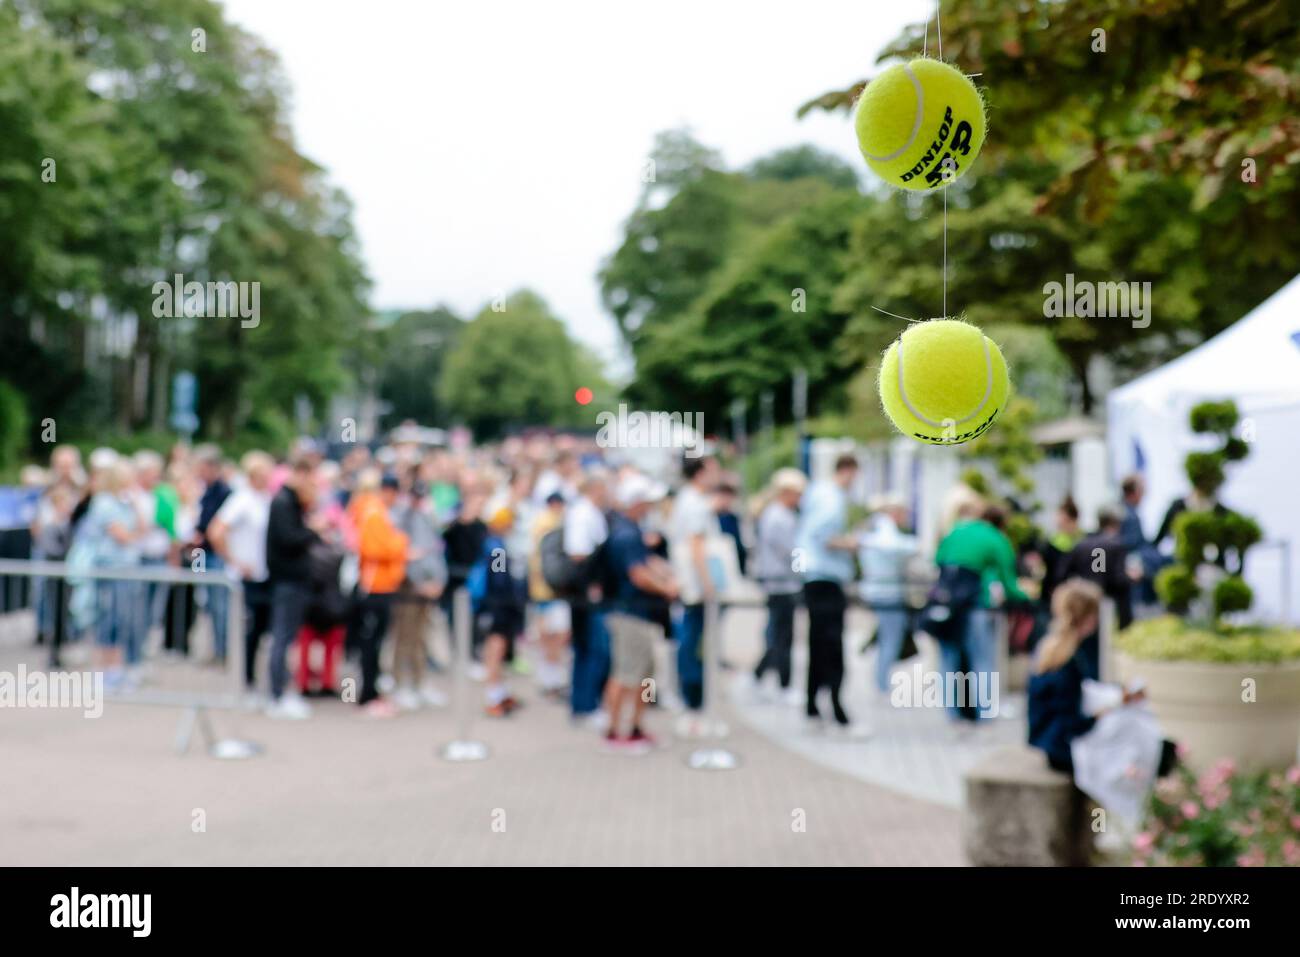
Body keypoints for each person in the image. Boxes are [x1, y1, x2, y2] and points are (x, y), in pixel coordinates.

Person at [933, 497, 1030, 721]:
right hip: (977, 607)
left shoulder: (955, 532)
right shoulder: (996, 539)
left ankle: (953, 715)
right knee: (983, 661)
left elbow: (937, 560)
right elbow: (1009, 582)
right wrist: (1027, 598)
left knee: (949, 660)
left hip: (947, 606)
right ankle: (985, 713)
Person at [601, 475, 677, 751]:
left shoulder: (629, 530)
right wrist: (667, 587)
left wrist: (665, 576)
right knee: (626, 673)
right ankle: (614, 730)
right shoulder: (627, 533)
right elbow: (637, 574)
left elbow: (645, 564)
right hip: (629, 612)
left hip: (637, 611)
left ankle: (633, 727)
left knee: (644, 672)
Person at [795, 454, 861, 730]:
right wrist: (851, 543)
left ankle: (813, 704)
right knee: (831, 646)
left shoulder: (817, 492)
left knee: (818, 644)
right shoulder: (832, 498)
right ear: (848, 471)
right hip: (827, 578)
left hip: (814, 576)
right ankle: (834, 705)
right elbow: (823, 536)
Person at [208, 451, 275, 695]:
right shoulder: (242, 500)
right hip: (246, 576)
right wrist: (234, 561)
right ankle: (243, 680)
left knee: (260, 629)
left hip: (264, 573)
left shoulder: (265, 498)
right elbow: (216, 530)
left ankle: (255, 678)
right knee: (246, 629)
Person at [1027, 579, 1106, 773]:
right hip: (1060, 749)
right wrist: (1101, 714)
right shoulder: (1067, 661)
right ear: (1088, 618)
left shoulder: (1051, 648)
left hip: (1047, 740)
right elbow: (1070, 723)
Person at [264, 456, 322, 719]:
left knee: (286, 637)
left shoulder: (290, 503)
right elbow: (288, 540)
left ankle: (281, 691)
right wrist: (313, 530)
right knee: (282, 638)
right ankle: (277, 694)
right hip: (287, 580)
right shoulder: (283, 503)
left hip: (293, 580)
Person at [669, 455, 721, 734]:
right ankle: (693, 706)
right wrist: (708, 582)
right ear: (700, 473)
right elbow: (696, 545)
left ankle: (692, 705)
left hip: (692, 586)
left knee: (692, 645)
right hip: (696, 589)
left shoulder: (688, 500)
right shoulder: (694, 503)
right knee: (693, 646)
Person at [1059, 504, 1140, 679]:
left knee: (1084, 650)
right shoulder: (1115, 545)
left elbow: (1063, 575)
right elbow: (1116, 579)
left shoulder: (1082, 544)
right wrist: (1132, 577)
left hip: (1081, 608)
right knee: (1101, 653)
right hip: (1105, 608)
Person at [353, 473, 409, 718]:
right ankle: (368, 695)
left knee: (375, 643)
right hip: (374, 586)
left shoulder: (377, 512)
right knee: (371, 643)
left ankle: (372, 692)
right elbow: (375, 548)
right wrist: (400, 544)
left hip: (382, 585)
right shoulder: (373, 513)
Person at [391, 480, 447, 709]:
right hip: (409, 588)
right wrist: (417, 583)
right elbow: (402, 552)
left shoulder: (426, 517)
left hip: (426, 585)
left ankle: (419, 681)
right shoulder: (401, 518)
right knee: (405, 637)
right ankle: (400, 684)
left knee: (422, 637)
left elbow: (434, 551)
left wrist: (437, 581)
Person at [751, 468, 805, 701]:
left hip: (784, 583)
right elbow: (790, 552)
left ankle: (762, 676)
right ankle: (780, 683)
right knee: (781, 636)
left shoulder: (780, 515)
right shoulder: (777, 517)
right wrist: (805, 568)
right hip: (781, 584)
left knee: (780, 634)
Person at [859, 493, 919, 695]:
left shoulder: (876, 528)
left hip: (881, 590)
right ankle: (881, 683)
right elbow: (895, 547)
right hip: (886, 591)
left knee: (888, 636)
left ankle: (881, 679)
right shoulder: (884, 531)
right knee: (891, 638)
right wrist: (917, 545)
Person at [565, 471, 611, 724]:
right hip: (586, 593)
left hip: (587, 591)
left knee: (589, 649)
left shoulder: (587, 512)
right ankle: (585, 705)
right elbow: (579, 553)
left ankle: (585, 703)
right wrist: (593, 584)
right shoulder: (583, 514)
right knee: (591, 649)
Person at [475, 507, 527, 716]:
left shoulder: (497, 544)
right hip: (497, 606)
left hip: (500, 605)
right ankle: (494, 695)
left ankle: (500, 692)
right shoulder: (495, 546)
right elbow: (498, 577)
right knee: (495, 649)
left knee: (500, 648)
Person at [528, 491, 572, 699]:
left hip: (546, 586)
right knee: (552, 633)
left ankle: (550, 676)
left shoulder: (545, 522)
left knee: (553, 634)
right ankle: (550, 678)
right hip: (548, 587)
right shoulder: (548, 523)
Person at [192, 445, 232, 661]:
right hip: (203, 553)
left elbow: (218, 526)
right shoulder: (206, 490)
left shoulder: (224, 492)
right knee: (208, 603)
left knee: (219, 604)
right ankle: (217, 648)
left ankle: (222, 649)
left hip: (215, 555)